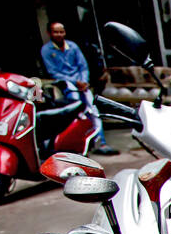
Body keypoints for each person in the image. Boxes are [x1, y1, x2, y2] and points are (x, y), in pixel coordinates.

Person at [39, 21, 117, 155]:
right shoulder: (46, 50)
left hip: (81, 83)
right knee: (77, 111)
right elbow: (53, 72)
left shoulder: (73, 46)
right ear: (49, 33)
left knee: (93, 109)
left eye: (61, 31)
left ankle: (101, 143)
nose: (59, 34)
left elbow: (83, 66)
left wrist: (83, 81)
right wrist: (76, 82)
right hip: (65, 84)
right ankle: (79, 144)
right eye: (55, 32)